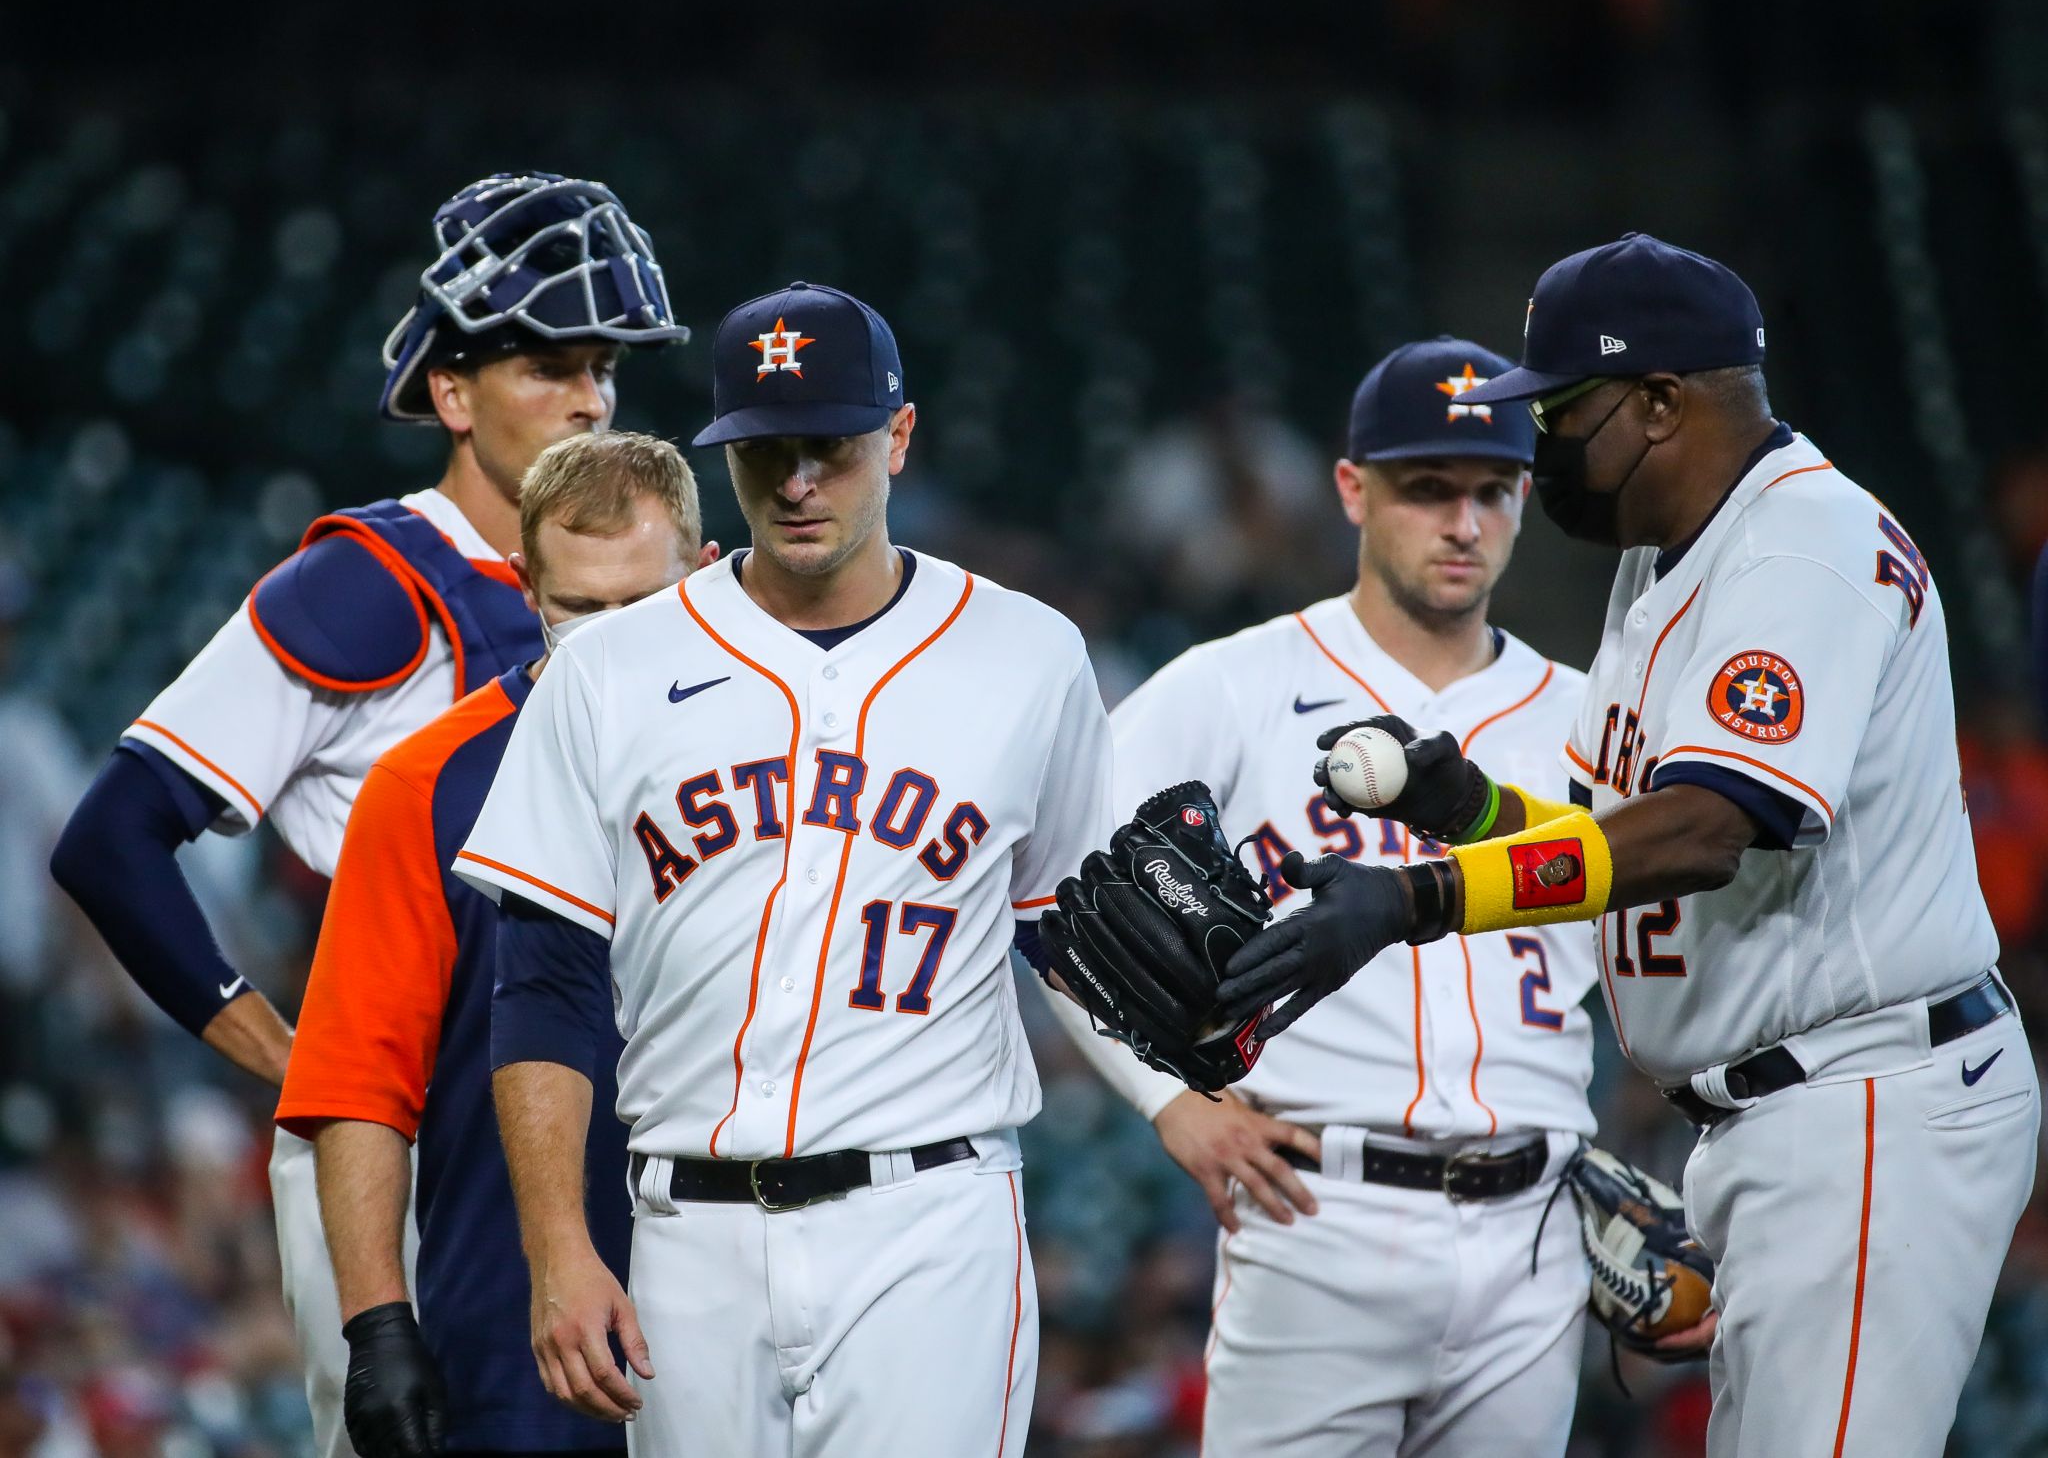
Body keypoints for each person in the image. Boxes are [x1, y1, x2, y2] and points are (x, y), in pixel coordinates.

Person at [1219, 234, 2038, 1458]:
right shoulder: (1676, 549)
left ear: (1659, 403)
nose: (1534, 447)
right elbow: (1622, 848)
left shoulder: (1797, 549)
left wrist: (1417, 898)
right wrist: (1470, 813)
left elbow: (1706, 831)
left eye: (1557, 412)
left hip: (1866, 1104)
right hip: (1774, 1109)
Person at [49, 172, 688, 1458]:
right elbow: (112, 835)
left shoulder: (644, 584)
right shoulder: (372, 579)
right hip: (408, 1131)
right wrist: (299, 1061)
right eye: (548, 364)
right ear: (450, 394)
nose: (588, 398)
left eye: (604, 369)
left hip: (602, 1104)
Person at [453, 281, 1115, 1456]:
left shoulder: (1029, 655)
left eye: (831, 447)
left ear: (899, 438)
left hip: (930, 1217)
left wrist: (1193, 1097)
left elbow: (1072, 926)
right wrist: (560, 1246)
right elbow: (542, 980)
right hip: (685, 1226)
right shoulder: (609, 668)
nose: (798, 481)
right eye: (766, 452)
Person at [1043, 337, 1605, 1456]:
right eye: (1427, 488)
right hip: (1316, 1211)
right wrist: (1171, 1103)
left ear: (1524, 499)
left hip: (1535, 1226)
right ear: (1351, 489)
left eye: (1490, 490)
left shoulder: (1586, 712)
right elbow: (1054, 892)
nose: (1462, 522)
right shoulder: (1235, 680)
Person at [276, 432, 717, 1458]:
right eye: (580, 609)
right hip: (510, 1323)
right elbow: (356, 1081)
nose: (609, 642)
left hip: (739, 1303)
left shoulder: (785, 761)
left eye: (640, 609)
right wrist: (377, 1321)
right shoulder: (427, 781)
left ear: (703, 578)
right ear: (524, 587)